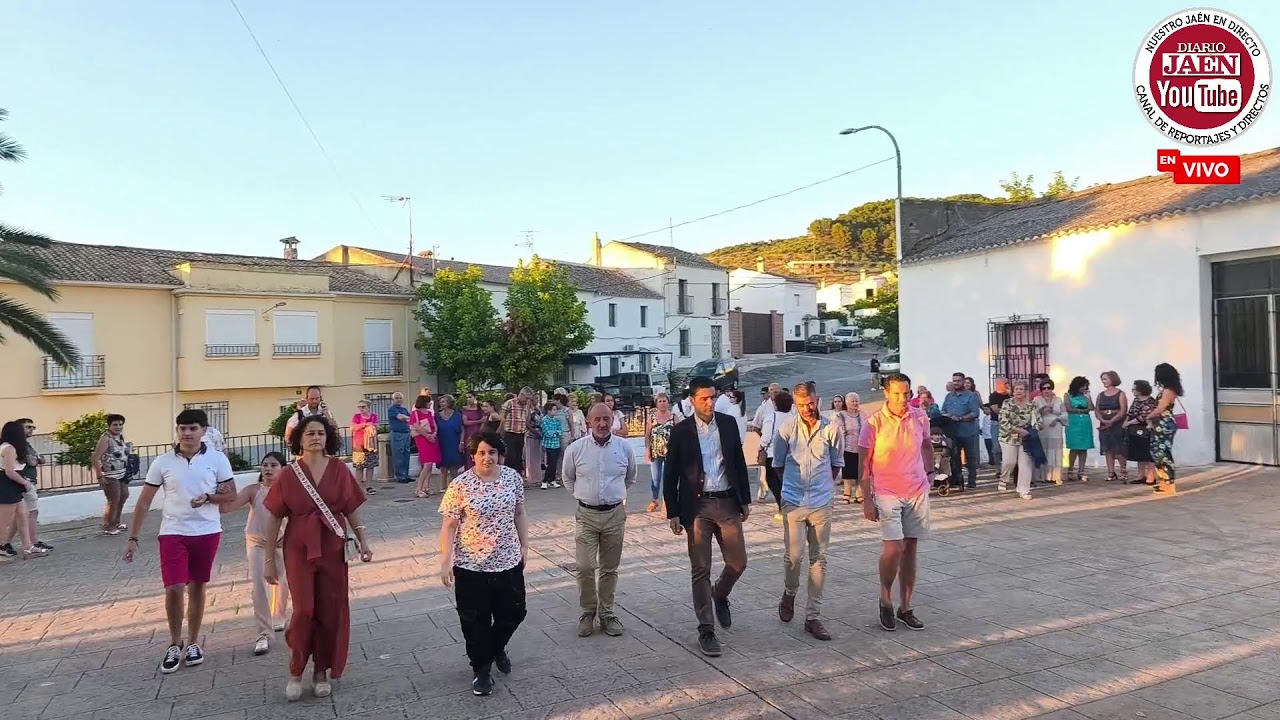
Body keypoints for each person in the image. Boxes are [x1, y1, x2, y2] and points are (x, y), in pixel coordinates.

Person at [261, 414, 374, 701]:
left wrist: (363, 541)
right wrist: (268, 558)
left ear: (328, 438)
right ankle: (296, 669)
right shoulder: (288, 474)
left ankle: (321, 670)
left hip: (333, 545)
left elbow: (351, 509)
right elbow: (274, 516)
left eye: (320, 433)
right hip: (298, 546)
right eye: (309, 433)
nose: (315, 437)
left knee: (329, 609)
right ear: (299, 438)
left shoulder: (340, 469)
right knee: (304, 611)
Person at [123, 409, 236, 674]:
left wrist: (208, 498)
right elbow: (145, 501)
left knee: (197, 587)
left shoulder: (217, 459)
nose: (186, 433)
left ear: (203, 431)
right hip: (173, 531)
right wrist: (133, 537)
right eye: (182, 428)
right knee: (174, 588)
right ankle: (174, 644)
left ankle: (194, 642)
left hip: (207, 531)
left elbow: (230, 494)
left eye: (192, 428)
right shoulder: (162, 462)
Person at [663, 376, 752, 657]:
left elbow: (738, 461)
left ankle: (720, 594)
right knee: (700, 568)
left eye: (713, 397)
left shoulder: (726, 424)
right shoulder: (681, 432)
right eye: (704, 398)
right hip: (697, 506)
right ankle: (706, 629)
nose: (710, 402)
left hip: (727, 502)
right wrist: (673, 511)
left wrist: (745, 499)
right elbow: (671, 473)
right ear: (692, 400)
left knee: (738, 562)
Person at [438, 431, 529, 697]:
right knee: (475, 621)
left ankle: (496, 647)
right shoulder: (460, 485)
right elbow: (449, 525)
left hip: (508, 559)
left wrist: (525, 546)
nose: (487, 457)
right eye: (481, 452)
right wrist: (445, 561)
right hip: (470, 565)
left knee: (514, 612)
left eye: (492, 452)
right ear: (472, 456)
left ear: (500, 454)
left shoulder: (512, 477)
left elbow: (520, 512)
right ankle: (481, 670)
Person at [859, 373, 934, 632]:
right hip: (887, 491)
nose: (903, 398)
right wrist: (866, 499)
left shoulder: (919, 416)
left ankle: (906, 607)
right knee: (893, 548)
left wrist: (930, 471)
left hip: (917, 490)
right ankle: (885, 597)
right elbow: (864, 463)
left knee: (911, 548)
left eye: (906, 393)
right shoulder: (874, 422)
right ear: (886, 394)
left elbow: (926, 445)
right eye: (897, 394)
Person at [772, 383, 843, 640]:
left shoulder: (831, 427)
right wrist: (792, 490)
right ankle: (790, 592)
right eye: (801, 404)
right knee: (794, 557)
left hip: (822, 501)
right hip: (793, 500)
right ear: (795, 404)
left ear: (818, 400)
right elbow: (778, 465)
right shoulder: (787, 429)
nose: (807, 409)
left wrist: (823, 488)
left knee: (819, 559)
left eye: (810, 403)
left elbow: (836, 464)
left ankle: (813, 616)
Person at [562, 402, 637, 637]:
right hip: (586, 515)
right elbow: (568, 479)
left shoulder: (624, 448)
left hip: (615, 515)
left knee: (609, 568)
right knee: (584, 567)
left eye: (607, 418)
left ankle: (607, 613)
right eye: (598, 420)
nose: (603, 424)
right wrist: (585, 498)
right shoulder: (576, 450)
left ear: (612, 419)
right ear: (589, 423)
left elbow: (630, 478)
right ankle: (588, 611)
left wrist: (613, 497)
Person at [220, 452, 290, 656]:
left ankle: (278, 616)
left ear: (283, 469)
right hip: (257, 542)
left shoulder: (289, 491)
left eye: (273, 465)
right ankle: (263, 633)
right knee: (259, 583)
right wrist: (219, 495)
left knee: (283, 580)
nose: (268, 469)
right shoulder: (254, 490)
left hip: (282, 541)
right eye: (265, 465)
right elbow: (229, 507)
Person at [4, 418, 49, 553]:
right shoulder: (12, 447)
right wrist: (25, 482)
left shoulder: (25, 445)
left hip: (24, 482)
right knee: (29, 513)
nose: (31, 430)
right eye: (27, 427)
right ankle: (31, 543)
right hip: (22, 481)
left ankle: (14, 544)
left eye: (32, 427)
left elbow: (39, 459)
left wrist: (36, 460)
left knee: (22, 514)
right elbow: (27, 462)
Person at [998, 380, 1041, 499]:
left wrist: (1031, 431)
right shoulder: (1007, 403)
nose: (1018, 391)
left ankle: (1024, 490)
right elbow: (1003, 421)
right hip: (1008, 437)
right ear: (1013, 391)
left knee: (1025, 464)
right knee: (1009, 462)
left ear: (1025, 391)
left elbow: (1038, 422)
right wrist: (1017, 430)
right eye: (1016, 389)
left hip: (1026, 438)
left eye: (1021, 389)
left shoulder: (1031, 405)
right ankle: (1004, 479)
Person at [91, 413, 132, 535]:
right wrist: (99, 475)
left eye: (120, 424)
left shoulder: (120, 436)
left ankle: (116, 522)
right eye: (115, 425)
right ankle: (108, 526)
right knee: (113, 499)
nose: (118, 427)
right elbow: (95, 457)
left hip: (122, 473)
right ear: (109, 426)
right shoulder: (106, 438)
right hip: (110, 474)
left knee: (123, 496)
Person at [940, 371, 981, 490]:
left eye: (958, 381)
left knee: (970, 458)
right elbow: (943, 411)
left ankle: (972, 482)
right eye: (954, 381)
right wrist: (949, 416)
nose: (956, 383)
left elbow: (975, 413)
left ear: (963, 382)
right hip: (953, 432)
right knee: (954, 457)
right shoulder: (949, 396)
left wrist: (961, 418)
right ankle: (958, 482)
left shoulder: (971, 396)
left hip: (968, 432)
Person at [758, 390, 796, 519]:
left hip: (772, 453)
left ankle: (783, 508)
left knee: (774, 482)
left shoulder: (771, 417)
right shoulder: (794, 417)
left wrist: (761, 446)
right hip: (791, 454)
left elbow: (766, 436)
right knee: (788, 482)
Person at [1149, 363, 1184, 494]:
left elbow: (1161, 408)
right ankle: (1163, 481)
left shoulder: (1168, 391)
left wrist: (1148, 416)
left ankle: (1168, 482)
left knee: (1163, 452)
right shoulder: (1168, 390)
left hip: (1164, 423)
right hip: (1161, 423)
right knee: (1157, 451)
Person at [645, 392, 677, 513]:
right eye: (660, 401)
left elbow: (678, 434)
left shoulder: (673, 417)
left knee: (667, 476)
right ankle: (654, 499)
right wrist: (647, 449)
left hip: (670, 452)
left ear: (668, 402)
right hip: (655, 452)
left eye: (664, 401)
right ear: (656, 404)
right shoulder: (652, 417)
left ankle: (666, 501)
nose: (662, 403)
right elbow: (647, 435)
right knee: (655, 477)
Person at [1096, 371, 1130, 482]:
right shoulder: (1100, 395)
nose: (1103, 381)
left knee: (1119, 448)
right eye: (1102, 379)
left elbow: (1123, 410)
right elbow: (1097, 410)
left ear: (1112, 379)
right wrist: (1102, 420)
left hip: (1117, 424)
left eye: (1105, 379)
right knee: (1108, 448)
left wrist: (1112, 420)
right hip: (1104, 424)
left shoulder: (1120, 394)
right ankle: (1111, 472)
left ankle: (1123, 471)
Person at [1124, 380, 1158, 486]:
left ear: (1140, 390)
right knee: (1139, 453)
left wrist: (1128, 422)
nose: (1132, 391)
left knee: (1148, 454)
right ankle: (1141, 475)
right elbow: (1130, 412)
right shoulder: (1136, 400)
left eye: (1134, 389)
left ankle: (1151, 476)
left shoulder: (1150, 401)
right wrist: (1126, 421)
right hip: (1134, 430)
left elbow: (1144, 416)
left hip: (1146, 429)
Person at [500, 387, 536, 475]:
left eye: (529, 399)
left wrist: (533, 431)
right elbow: (501, 418)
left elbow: (526, 421)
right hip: (510, 434)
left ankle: (516, 477)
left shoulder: (526, 406)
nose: (527, 400)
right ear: (521, 395)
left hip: (521, 434)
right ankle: (507, 476)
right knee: (510, 456)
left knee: (518, 457)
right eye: (526, 398)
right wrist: (500, 432)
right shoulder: (509, 403)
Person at [411, 394, 440, 498]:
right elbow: (416, 426)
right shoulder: (415, 413)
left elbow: (434, 425)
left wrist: (434, 434)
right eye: (428, 402)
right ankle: (418, 488)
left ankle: (426, 487)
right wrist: (427, 436)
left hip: (432, 439)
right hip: (422, 439)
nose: (430, 404)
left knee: (430, 463)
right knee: (427, 464)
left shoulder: (429, 413)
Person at [837, 393, 863, 504]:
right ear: (847, 403)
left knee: (860, 472)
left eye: (856, 401)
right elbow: (837, 431)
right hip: (846, 447)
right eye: (853, 401)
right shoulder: (841, 415)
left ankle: (859, 494)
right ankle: (847, 494)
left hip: (861, 447)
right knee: (848, 472)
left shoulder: (863, 415)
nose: (855, 403)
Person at [350, 400, 380, 495]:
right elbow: (353, 427)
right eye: (360, 407)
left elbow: (377, 427)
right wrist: (365, 425)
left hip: (370, 444)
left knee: (370, 466)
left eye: (363, 407)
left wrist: (373, 426)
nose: (361, 409)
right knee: (359, 466)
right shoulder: (357, 417)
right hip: (359, 443)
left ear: (368, 407)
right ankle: (357, 488)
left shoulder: (374, 416)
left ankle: (369, 486)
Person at [436, 395, 465, 488]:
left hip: (454, 441)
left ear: (449, 403)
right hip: (442, 442)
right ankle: (442, 487)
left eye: (443, 402)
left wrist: (461, 442)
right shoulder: (437, 416)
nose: (441, 403)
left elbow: (462, 430)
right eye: (440, 402)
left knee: (454, 466)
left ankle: (454, 487)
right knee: (443, 466)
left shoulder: (457, 415)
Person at [538, 402, 565, 489]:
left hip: (556, 444)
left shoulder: (555, 421)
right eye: (553, 410)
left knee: (554, 463)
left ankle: (552, 480)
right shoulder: (545, 420)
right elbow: (547, 433)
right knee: (550, 463)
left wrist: (555, 432)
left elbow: (560, 431)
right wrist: (555, 433)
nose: (555, 411)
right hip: (549, 445)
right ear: (548, 411)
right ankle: (545, 480)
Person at [388, 392, 414, 482]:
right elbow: (400, 417)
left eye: (400, 398)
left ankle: (406, 475)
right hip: (397, 434)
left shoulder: (404, 409)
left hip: (406, 433)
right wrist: (407, 418)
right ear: (393, 399)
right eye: (397, 398)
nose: (399, 399)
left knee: (406, 455)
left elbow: (411, 418)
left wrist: (407, 418)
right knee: (398, 455)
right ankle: (400, 476)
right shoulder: (392, 409)